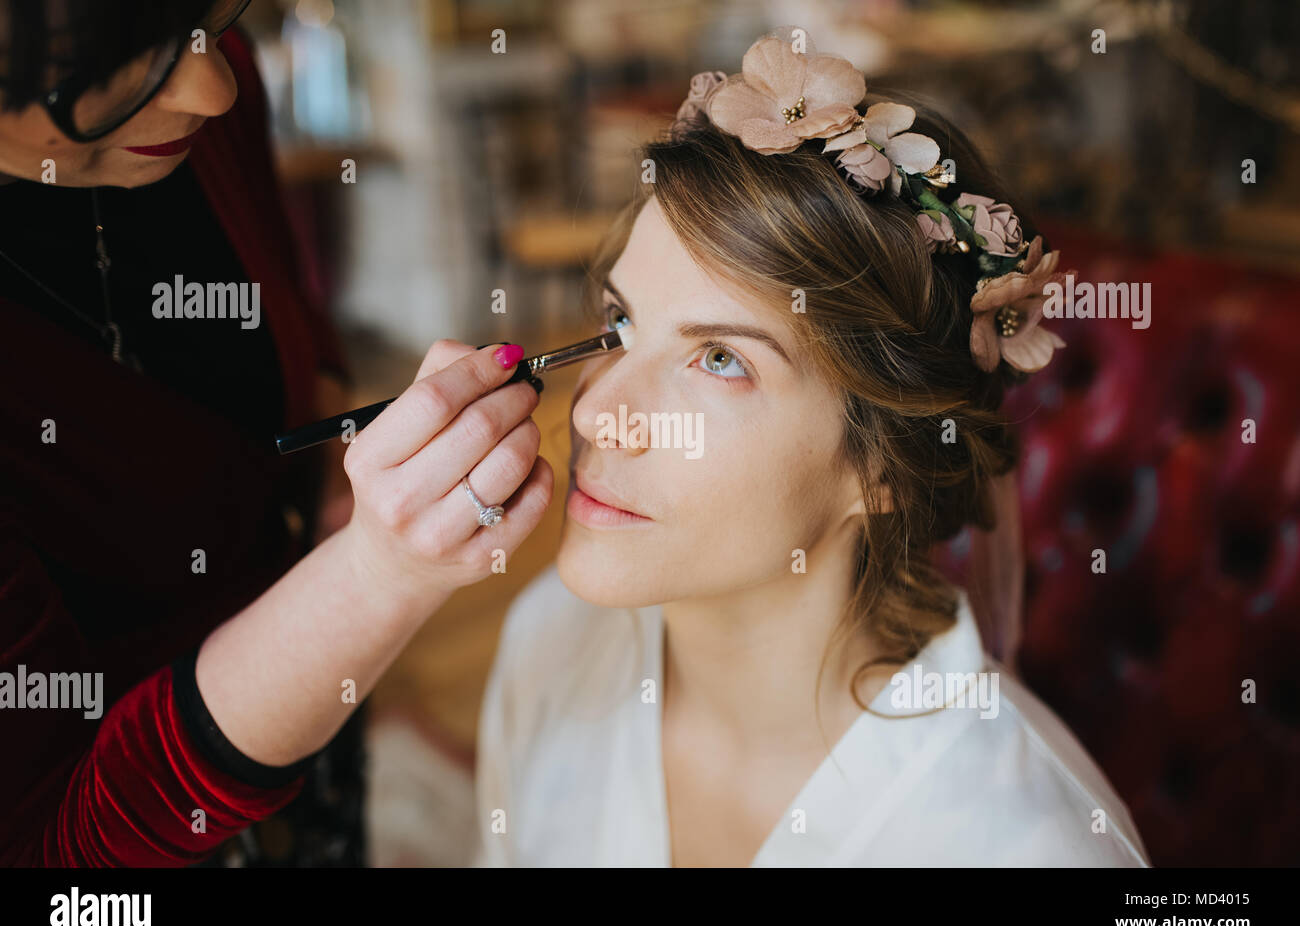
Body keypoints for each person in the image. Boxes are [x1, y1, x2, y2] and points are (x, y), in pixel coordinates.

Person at [472, 27, 1150, 867]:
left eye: (720, 359)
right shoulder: (548, 644)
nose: (597, 410)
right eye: (620, 324)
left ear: (883, 463)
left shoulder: (1022, 843)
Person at [0, 0, 549, 866]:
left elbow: (280, 302)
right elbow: (51, 849)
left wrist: (326, 461)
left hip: (316, 732)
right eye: (124, 63)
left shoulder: (207, 97)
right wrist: (372, 578)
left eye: (218, 20)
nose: (213, 87)